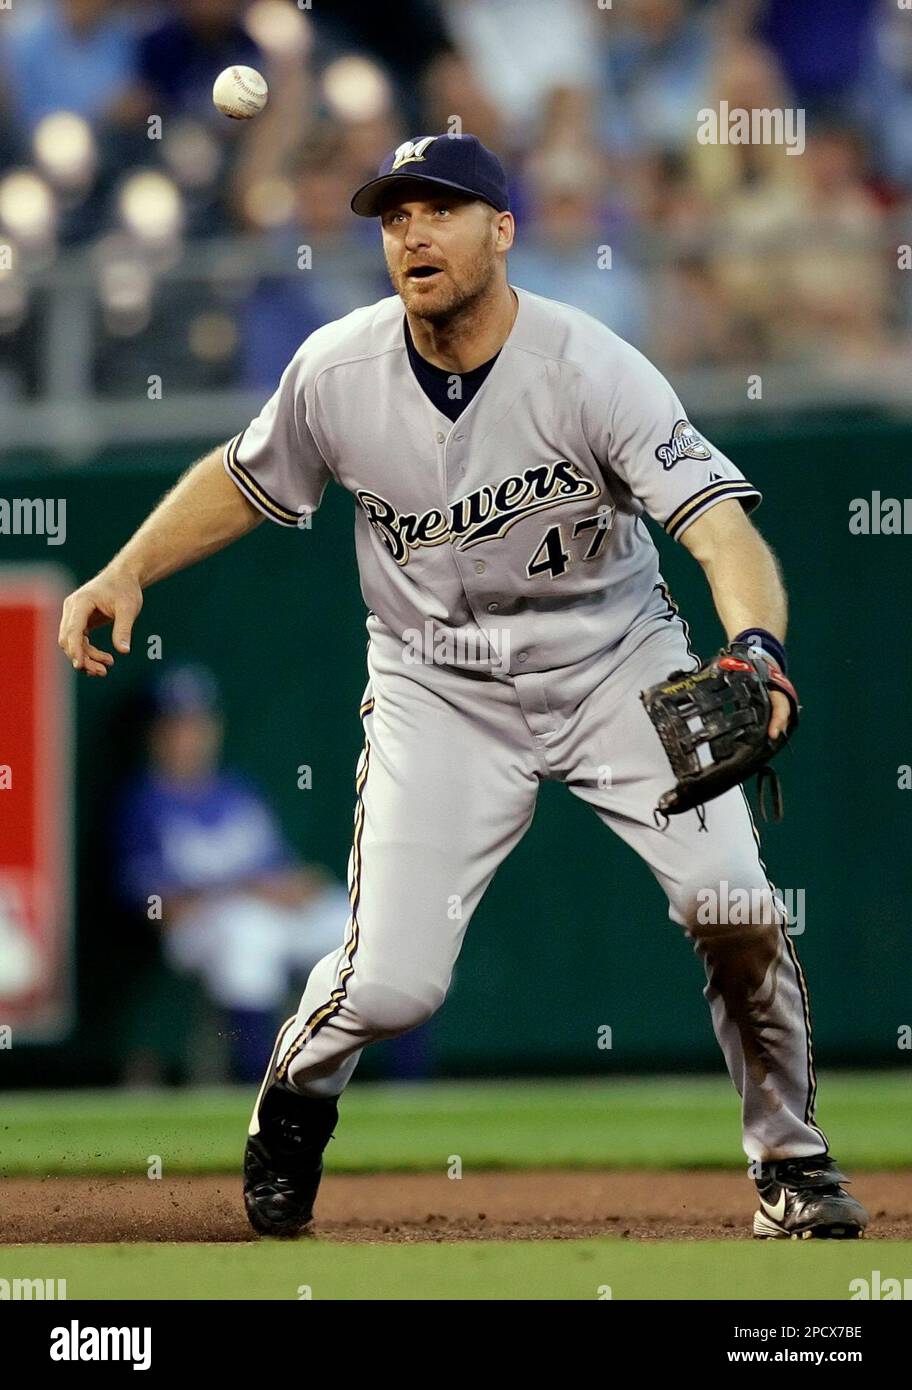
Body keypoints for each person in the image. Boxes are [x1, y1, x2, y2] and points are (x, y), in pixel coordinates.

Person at [59, 133, 868, 1243]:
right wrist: (125, 567)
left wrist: (758, 648)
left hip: (613, 663)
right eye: (395, 217)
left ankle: (791, 1163)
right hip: (438, 687)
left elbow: (719, 526)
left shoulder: (594, 368)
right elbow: (245, 481)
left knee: (735, 909)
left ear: (503, 229)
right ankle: (294, 1099)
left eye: (440, 209)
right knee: (393, 989)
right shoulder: (338, 369)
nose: (413, 234)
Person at [113, 663, 348, 1083]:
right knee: (247, 931)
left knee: (351, 924)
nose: (188, 737)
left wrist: (296, 886)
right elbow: (153, 904)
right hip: (200, 929)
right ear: (155, 734)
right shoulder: (143, 802)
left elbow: (283, 872)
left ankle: (408, 1088)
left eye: (196, 724)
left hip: (268, 915)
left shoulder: (239, 792)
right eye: (176, 726)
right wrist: (242, 891)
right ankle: (257, 1085)